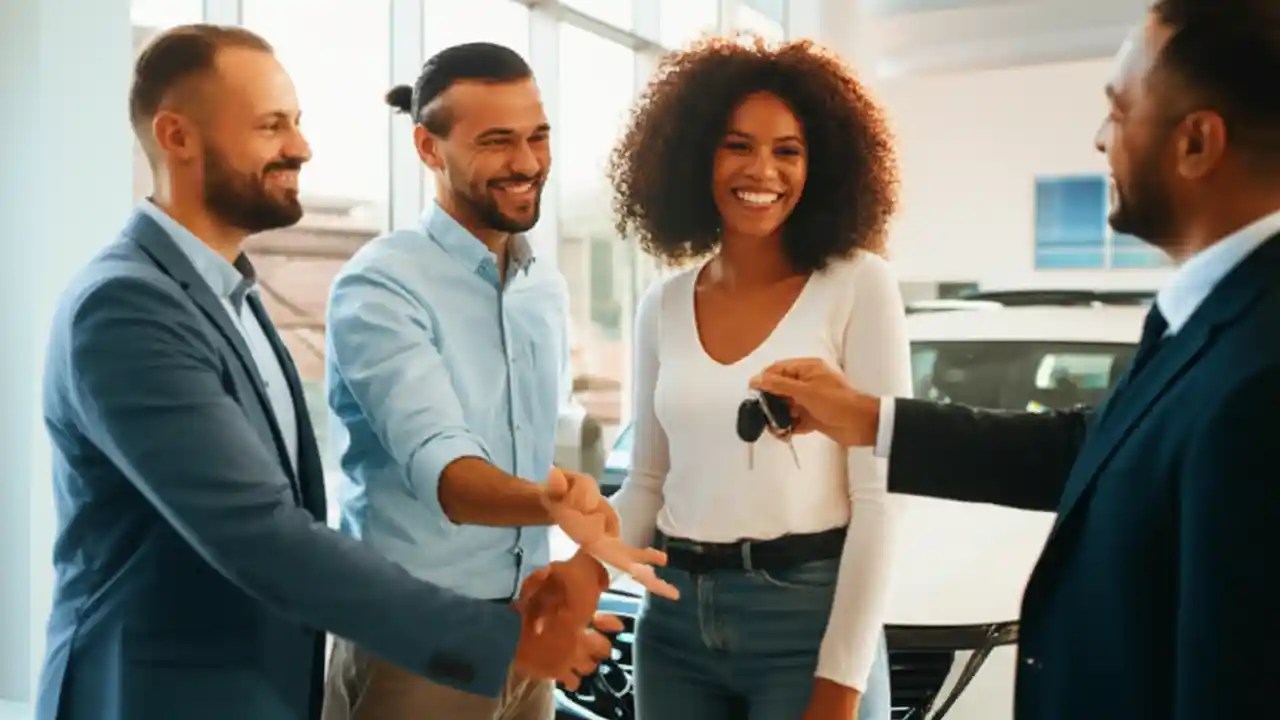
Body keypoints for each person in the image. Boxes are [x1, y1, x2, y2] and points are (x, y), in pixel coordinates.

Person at [36, 25, 621, 720]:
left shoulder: (234, 298)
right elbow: (262, 537)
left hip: (264, 681)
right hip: (160, 693)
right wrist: (502, 642)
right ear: (177, 137)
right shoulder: (127, 307)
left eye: (298, 122)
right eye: (271, 125)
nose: (301, 147)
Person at [752, 2, 1280, 718]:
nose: (1101, 141)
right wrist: (872, 419)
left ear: (1197, 143)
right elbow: (1083, 447)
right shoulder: (1212, 319)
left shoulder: (1259, 374)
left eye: (1119, 113)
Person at [320, 42, 675, 720]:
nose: (528, 163)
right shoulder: (381, 286)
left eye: (539, 137)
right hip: (415, 636)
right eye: (498, 142)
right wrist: (554, 503)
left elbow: (505, 444)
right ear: (429, 148)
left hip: (526, 627)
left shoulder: (540, 282)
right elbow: (450, 473)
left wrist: (555, 519)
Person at [605, 35, 909, 720]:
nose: (761, 169)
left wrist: (840, 682)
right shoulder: (664, 305)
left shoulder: (858, 286)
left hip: (805, 621)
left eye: (788, 150)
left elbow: (883, 502)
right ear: (694, 155)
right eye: (736, 144)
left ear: (822, 164)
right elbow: (647, 485)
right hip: (674, 623)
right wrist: (580, 570)